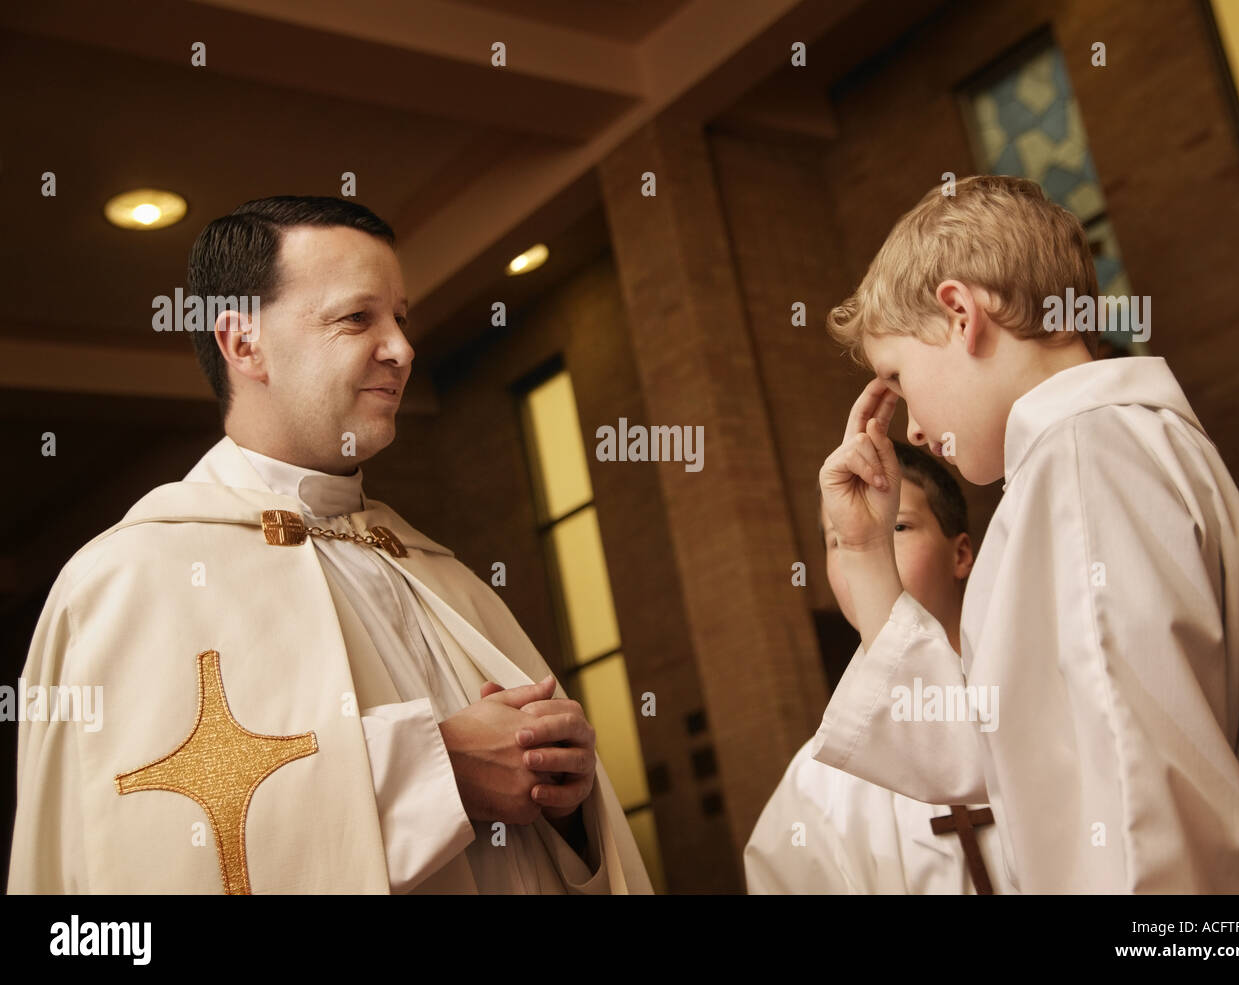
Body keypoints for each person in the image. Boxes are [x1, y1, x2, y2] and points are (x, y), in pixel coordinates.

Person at [8, 196, 651, 894]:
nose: (402, 348)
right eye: (356, 317)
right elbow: (143, 854)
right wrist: (442, 770)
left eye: (401, 318)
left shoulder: (439, 572)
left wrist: (566, 793)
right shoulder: (134, 579)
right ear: (243, 343)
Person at [813, 174, 1239, 893]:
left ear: (958, 313)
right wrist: (864, 551)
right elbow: (991, 747)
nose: (911, 426)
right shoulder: (1087, 455)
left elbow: (1142, 796)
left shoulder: (1085, 456)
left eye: (900, 376)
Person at [746, 444, 1005, 893]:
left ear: (961, 554)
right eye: (840, 539)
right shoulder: (815, 784)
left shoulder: (1036, 699)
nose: (867, 553)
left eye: (897, 527)